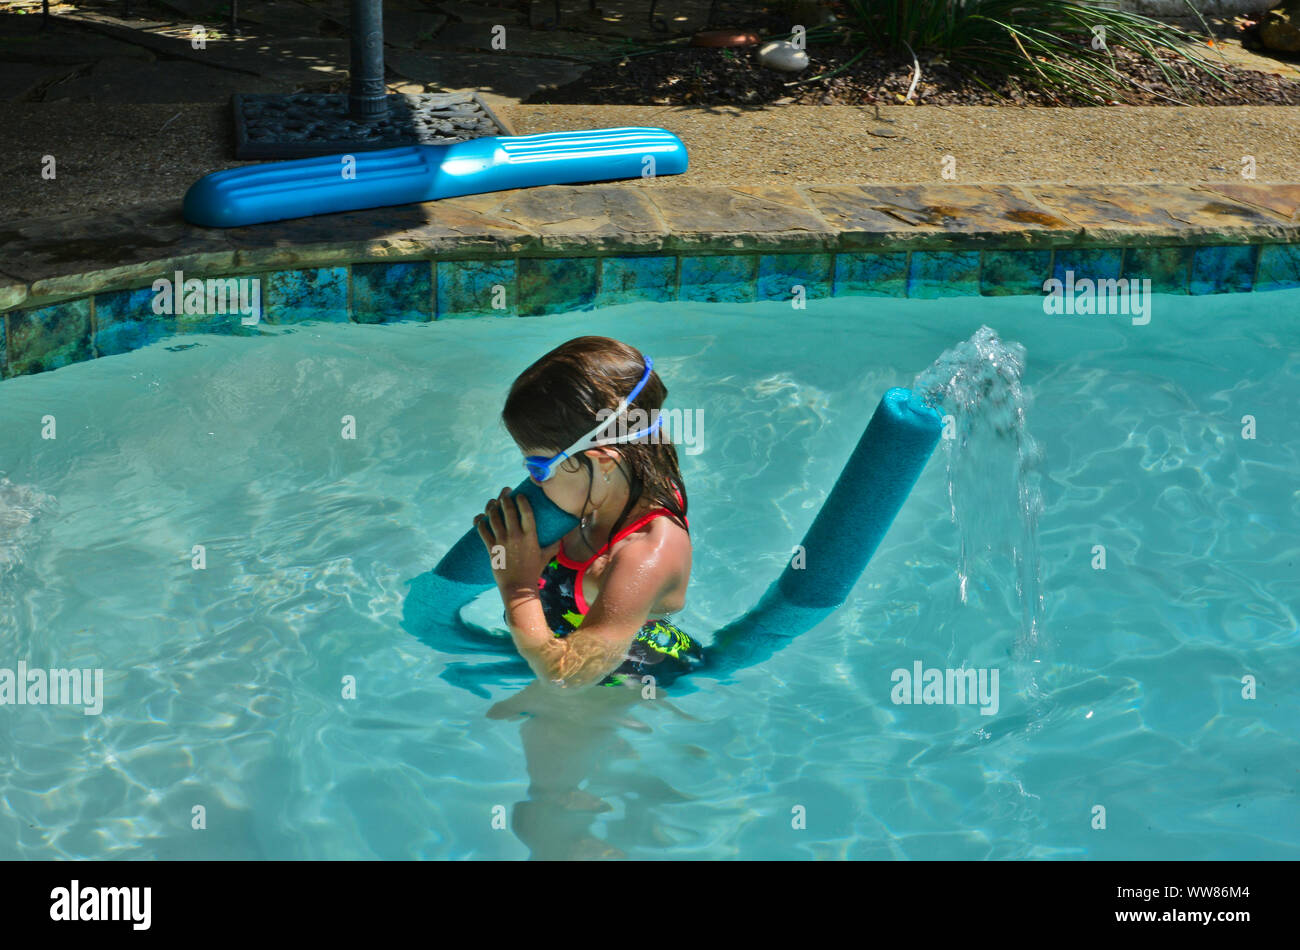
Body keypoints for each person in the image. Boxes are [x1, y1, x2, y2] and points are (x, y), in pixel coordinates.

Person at [474, 336, 703, 690]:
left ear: (603, 460)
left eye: (539, 469)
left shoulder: (645, 556)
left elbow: (567, 677)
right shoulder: (613, 482)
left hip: (624, 689)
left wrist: (517, 585)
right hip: (556, 656)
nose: (534, 485)